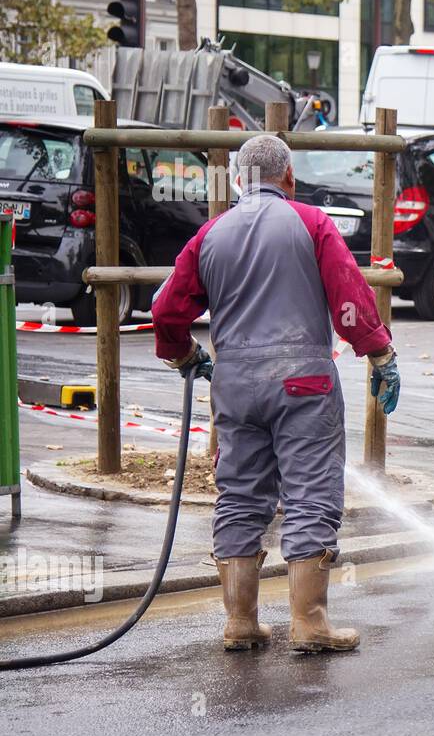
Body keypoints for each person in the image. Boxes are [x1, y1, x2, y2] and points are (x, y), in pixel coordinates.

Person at [153, 133, 401, 651]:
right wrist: (378, 352)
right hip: (304, 384)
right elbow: (348, 298)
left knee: (240, 496)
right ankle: (310, 624)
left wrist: (182, 353)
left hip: (235, 387)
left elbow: (166, 309)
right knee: (310, 495)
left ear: (240, 181)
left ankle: (240, 622)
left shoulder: (211, 235)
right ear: (289, 177)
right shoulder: (311, 223)